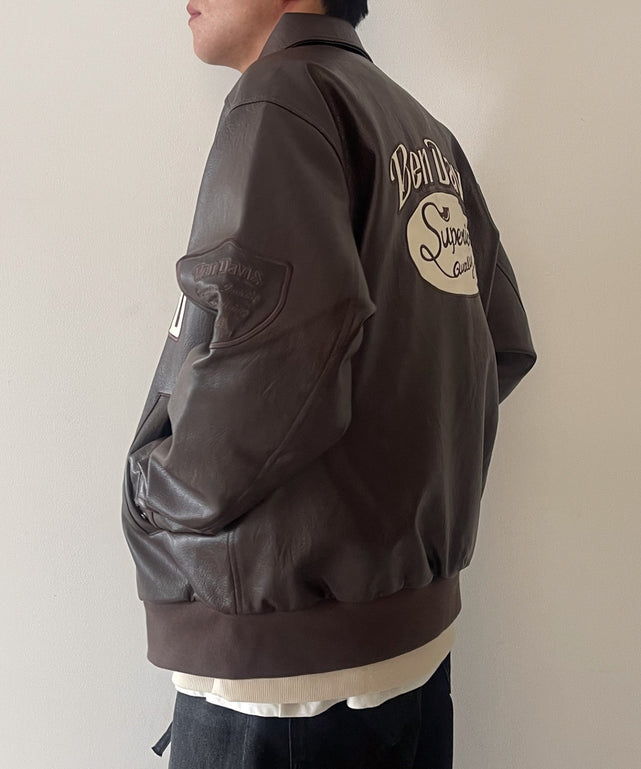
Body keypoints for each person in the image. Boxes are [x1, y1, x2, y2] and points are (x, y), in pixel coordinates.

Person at [120, 1, 537, 766]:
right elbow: (498, 344)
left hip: (278, 679)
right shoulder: (422, 131)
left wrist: (153, 492)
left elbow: (280, 359)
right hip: (410, 651)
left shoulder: (281, 94)